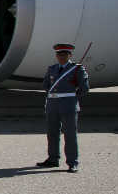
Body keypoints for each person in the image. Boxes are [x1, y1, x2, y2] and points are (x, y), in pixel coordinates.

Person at [36, 43, 89, 172]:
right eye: (59, 54)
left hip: (68, 104)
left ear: (70, 55)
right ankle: (53, 159)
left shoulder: (77, 69)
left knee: (70, 134)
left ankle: (72, 162)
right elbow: (46, 85)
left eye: (64, 54)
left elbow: (84, 88)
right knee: (52, 133)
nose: (61, 56)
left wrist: (71, 98)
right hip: (53, 105)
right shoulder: (52, 69)